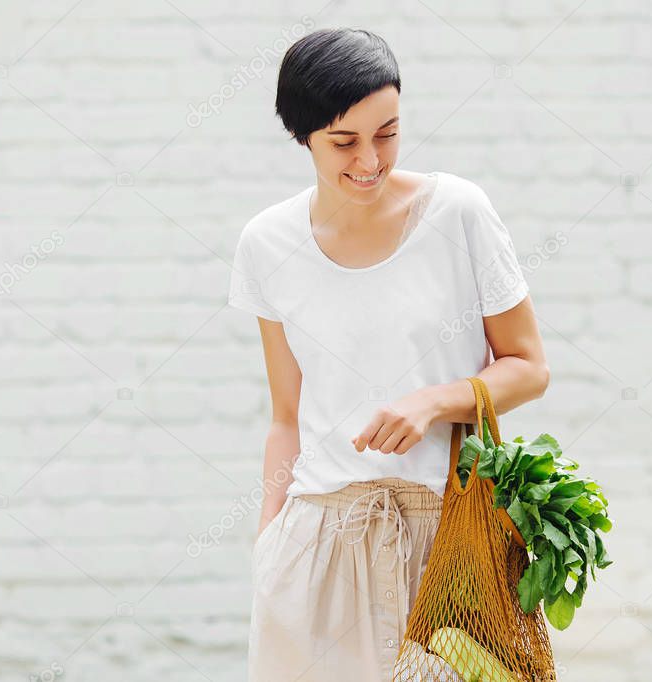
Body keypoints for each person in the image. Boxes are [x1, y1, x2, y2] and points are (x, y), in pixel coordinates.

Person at [227, 27, 550, 682]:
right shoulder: (266, 244)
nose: (369, 160)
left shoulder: (457, 212)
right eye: (343, 142)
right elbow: (285, 416)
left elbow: (527, 365)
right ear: (300, 136)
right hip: (317, 539)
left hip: (448, 537)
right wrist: (270, 546)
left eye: (388, 133)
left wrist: (431, 402)